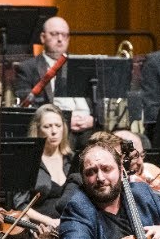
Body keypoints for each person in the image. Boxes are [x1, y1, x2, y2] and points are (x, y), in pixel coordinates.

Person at [13, 16, 98, 144]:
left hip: (89, 124)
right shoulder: (27, 68)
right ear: (42, 37)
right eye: (54, 34)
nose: (60, 39)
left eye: (64, 35)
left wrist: (94, 119)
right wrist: (65, 120)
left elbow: (99, 98)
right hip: (56, 127)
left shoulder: (82, 63)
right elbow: (28, 106)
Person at [16, 104, 73, 227]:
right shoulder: (28, 161)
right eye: (47, 126)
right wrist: (49, 221)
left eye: (58, 126)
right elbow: (20, 204)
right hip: (39, 227)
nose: (54, 131)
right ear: (37, 130)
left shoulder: (71, 159)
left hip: (70, 225)